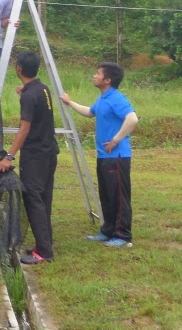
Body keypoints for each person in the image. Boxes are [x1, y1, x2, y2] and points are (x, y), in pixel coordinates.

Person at [60, 62, 138, 248]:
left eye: (98, 74)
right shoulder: (103, 98)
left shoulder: (117, 98)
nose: (94, 76)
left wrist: (116, 140)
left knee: (119, 196)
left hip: (117, 157)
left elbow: (132, 119)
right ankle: (107, 231)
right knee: (107, 195)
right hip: (104, 156)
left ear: (108, 80)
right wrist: (69, 102)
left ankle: (123, 235)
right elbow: (89, 112)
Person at [0, 51, 59, 265]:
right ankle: (45, 244)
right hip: (49, 152)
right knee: (44, 198)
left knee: (33, 199)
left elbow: (24, 128)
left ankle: (44, 252)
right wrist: (25, 95)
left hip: (35, 156)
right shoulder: (42, 89)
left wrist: (9, 156)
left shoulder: (30, 96)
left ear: (18, 68)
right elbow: (38, 109)